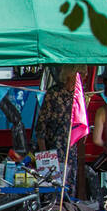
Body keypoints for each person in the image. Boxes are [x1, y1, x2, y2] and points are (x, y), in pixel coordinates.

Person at [34, 64, 83, 193]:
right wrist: (44, 152)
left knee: (69, 185)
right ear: (70, 75)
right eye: (81, 73)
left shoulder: (78, 94)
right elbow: (41, 125)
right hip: (54, 148)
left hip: (70, 150)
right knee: (53, 185)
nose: (84, 77)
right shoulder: (54, 93)